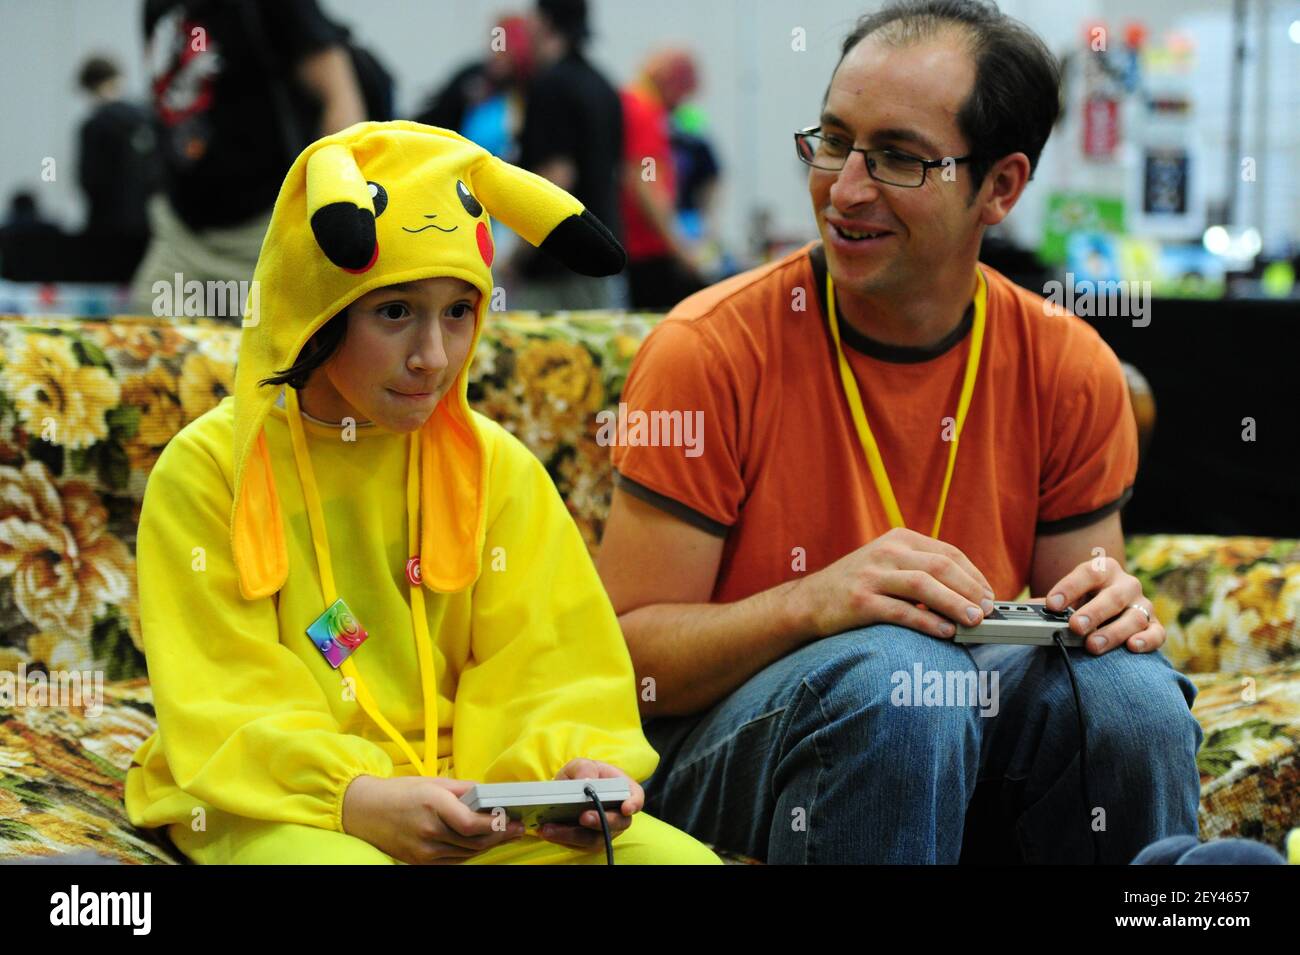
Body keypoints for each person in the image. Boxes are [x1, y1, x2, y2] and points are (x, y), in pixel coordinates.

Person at [595, 0, 1203, 864]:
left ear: (1001, 186)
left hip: (963, 726)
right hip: (734, 745)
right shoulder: (711, 350)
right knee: (892, 678)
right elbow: (623, 661)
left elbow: (1077, 637)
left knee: (1129, 694)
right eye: (835, 140)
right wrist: (811, 605)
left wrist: (1109, 612)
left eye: (899, 159)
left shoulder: (1070, 367)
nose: (844, 189)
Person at [124, 121, 720, 866]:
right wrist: (355, 797)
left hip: (471, 805)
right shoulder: (210, 470)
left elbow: (554, 669)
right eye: (395, 311)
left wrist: (575, 771)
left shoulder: (496, 466)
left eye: (459, 311)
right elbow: (226, 704)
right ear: (318, 312)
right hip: (284, 803)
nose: (432, 358)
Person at [129, 0, 368, 318]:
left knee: (267, 358)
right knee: (149, 350)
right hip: (181, 229)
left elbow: (339, 99)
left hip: (264, 229)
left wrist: (337, 207)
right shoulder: (158, 7)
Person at [505, 0, 623, 310]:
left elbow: (556, 179)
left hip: (556, 271)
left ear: (545, 21)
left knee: (542, 356)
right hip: (600, 254)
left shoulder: (550, 86)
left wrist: (516, 255)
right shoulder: (604, 85)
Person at [619, 49, 707, 310]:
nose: (681, 105)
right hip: (646, 250)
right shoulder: (645, 111)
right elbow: (645, 185)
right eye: (684, 93)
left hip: (634, 245)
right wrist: (680, 249)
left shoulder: (629, 102)